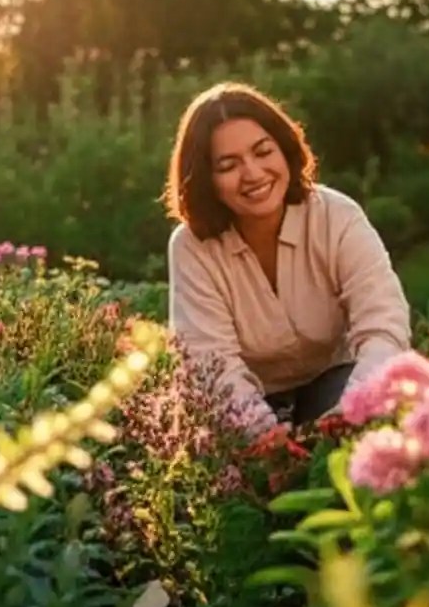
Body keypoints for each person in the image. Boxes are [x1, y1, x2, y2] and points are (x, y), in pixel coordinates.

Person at [163, 81, 411, 436]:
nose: (252, 173)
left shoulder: (337, 216)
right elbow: (212, 369)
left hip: (338, 389)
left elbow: (384, 327)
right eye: (228, 164)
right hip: (243, 410)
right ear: (206, 179)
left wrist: (348, 416)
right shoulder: (192, 247)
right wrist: (272, 443)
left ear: (284, 149)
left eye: (263, 151)